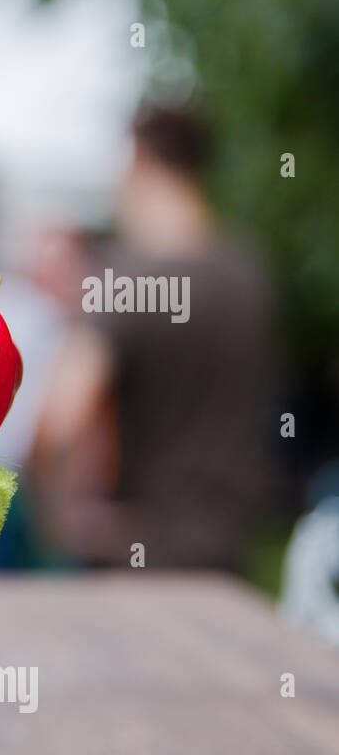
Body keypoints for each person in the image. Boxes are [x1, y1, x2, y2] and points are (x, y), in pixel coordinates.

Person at [30, 102, 280, 571]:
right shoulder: (249, 275)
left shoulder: (129, 281)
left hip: (138, 559)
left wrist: (61, 523)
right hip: (226, 554)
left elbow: (57, 425)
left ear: (140, 159)